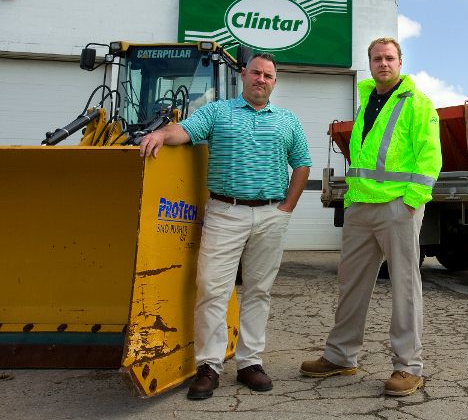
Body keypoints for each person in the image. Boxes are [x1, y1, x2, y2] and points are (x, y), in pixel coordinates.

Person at [139, 52, 311, 400]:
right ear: (244, 75)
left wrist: (286, 208)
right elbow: (184, 131)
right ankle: (209, 366)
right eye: (256, 73)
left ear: (274, 82)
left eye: (268, 76)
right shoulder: (218, 112)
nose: (261, 80)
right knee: (212, 288)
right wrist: (160, 134)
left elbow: (302, 164)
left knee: (259, 290)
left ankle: (250, 363)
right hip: (224, 212)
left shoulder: (287, 120)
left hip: (269, 216)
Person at [300, 37, 442, 397]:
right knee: (351, 284)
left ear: (400, 62)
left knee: (405, 288)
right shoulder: (367, 101)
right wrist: (352, 201)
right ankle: (340, 356)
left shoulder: (417, 104)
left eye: (389, 58)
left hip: (398, 206)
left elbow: (430, 158)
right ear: (370, 63)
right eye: (377, 58)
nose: (383, 63)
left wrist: (412, 200)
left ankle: (408, 367)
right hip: (360, 206)